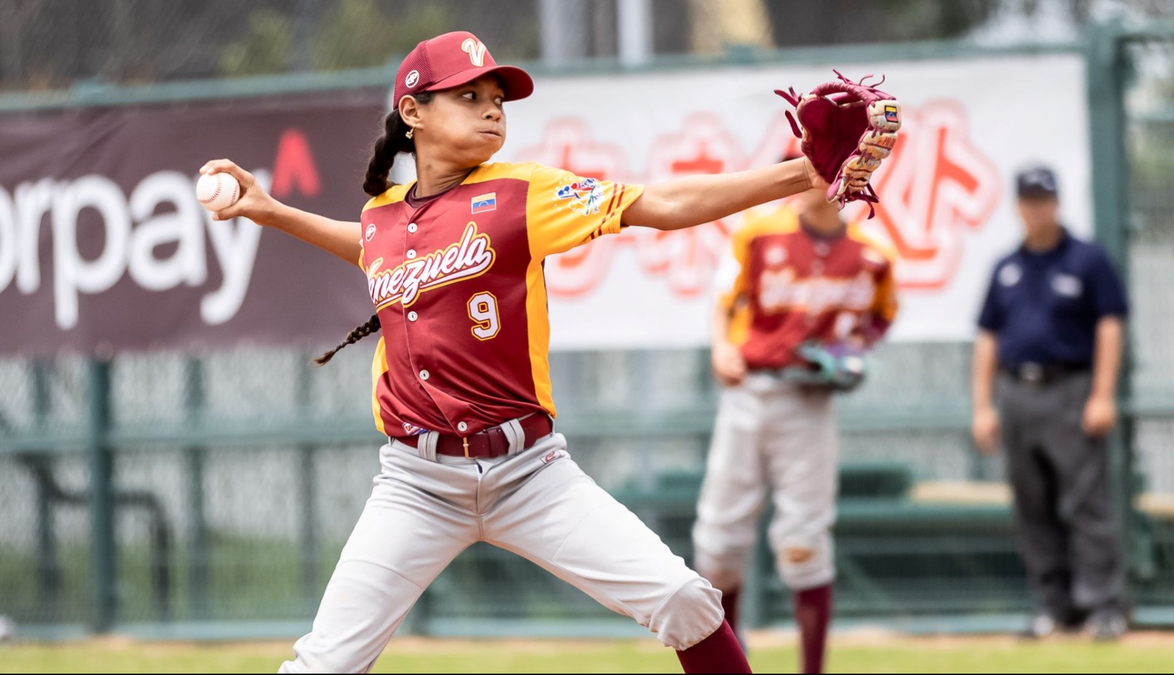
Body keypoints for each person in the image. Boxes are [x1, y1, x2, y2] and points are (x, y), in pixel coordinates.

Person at [201, 31, 828, 674]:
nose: (491, 108)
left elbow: (659, 204)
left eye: (497, 97)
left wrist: (804, 173)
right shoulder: (382, 218)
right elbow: (367, 245)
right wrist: (271, 211)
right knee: (322, 665)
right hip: (415, 485)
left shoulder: (520, 194)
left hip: (529, 474)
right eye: (467, 95)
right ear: (413, 113)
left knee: (684, 600)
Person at [691, 180, 897, 673]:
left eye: (825, 173)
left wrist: (852, 351)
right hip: (749, 393)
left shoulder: (871, 254)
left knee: (805, 540)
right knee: (718, 541)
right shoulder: (759, 233)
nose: (815, 183)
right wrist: (721, 348)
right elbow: (724, 302)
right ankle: (729, 662)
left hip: (809, 401)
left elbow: (881, 317)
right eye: (807, 170)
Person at [971, 165, 1130, 641]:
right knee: (1032, 506)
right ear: (1018, 206)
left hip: (1071, 390)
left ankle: (1104, 606)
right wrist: (982, 405)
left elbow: (1109, 325)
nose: (1037, 209)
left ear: (1057, 203)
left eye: (1044, 200)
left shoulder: (1086, 260)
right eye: (1029, 200)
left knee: (1088, 504)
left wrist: (1103, 393)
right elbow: (987, 338)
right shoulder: (1006, 266)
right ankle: (1054, 607)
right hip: (1017, 392)